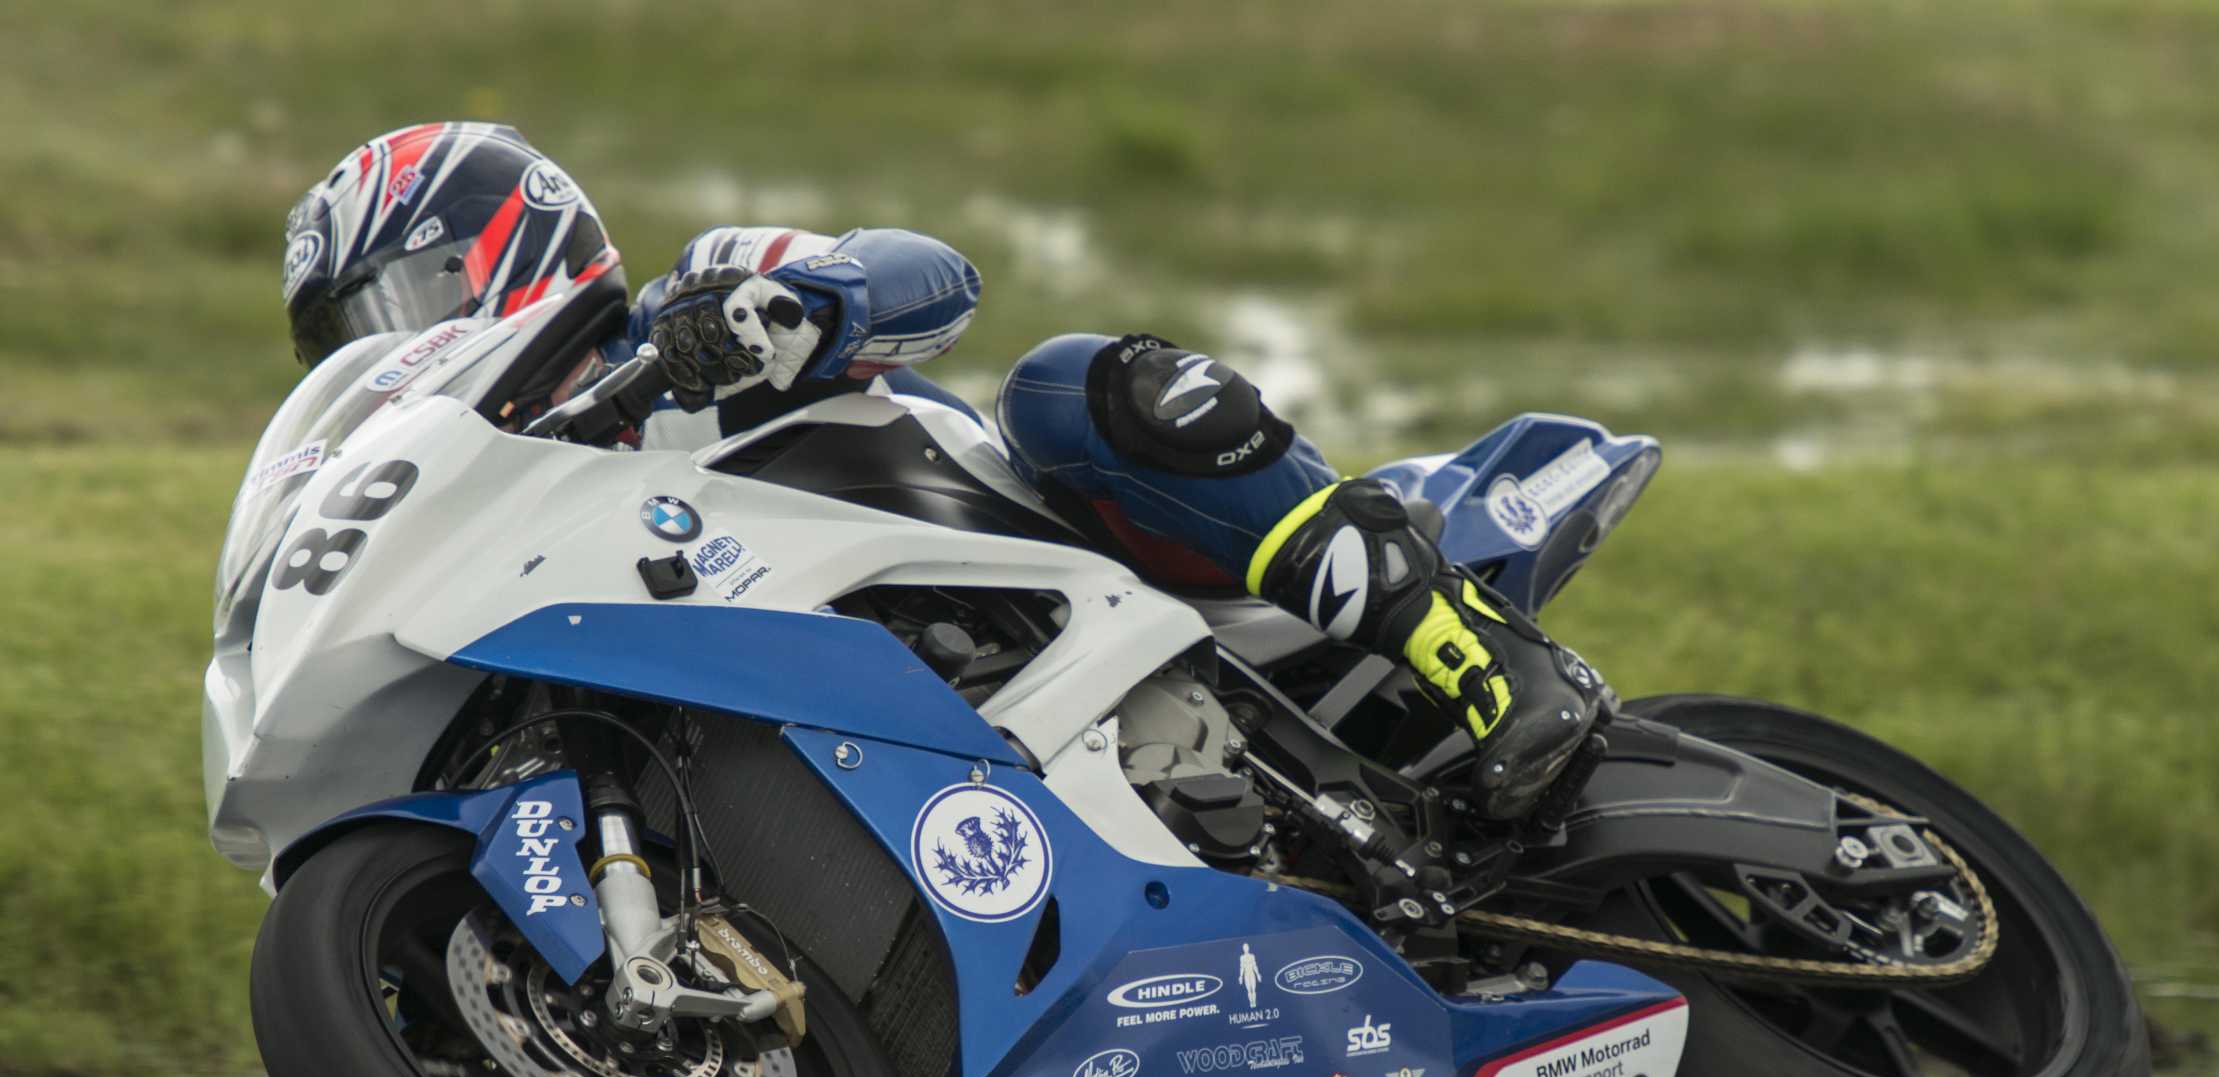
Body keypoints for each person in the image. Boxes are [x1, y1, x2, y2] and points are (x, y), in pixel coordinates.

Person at [282, 123, 1598, 819]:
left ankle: (1479, 650)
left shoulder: (695, 298)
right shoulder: (503, 516)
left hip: (1053, 587)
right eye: (360, 336)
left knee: (1068, 384)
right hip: (868, 731)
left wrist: (797, 302)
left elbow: (931, 276)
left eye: (412, 293)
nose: (401, 345)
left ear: (510, 235)